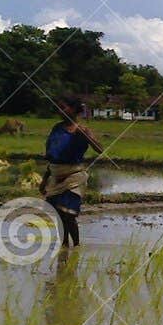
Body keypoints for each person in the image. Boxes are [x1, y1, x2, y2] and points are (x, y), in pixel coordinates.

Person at [41, 95, 104, 248]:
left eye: (63, 107)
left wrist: (87, 136)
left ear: (74, 109)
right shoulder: (56, 129)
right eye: (58, 108)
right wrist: (44, 180)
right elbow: (52, 157)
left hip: (73, 177)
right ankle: (64, 246)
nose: (59, 111)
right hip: (55, 175)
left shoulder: (82, 130)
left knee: (68, 214)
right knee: (57, 214)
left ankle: (76, 246)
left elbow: (100, 150)